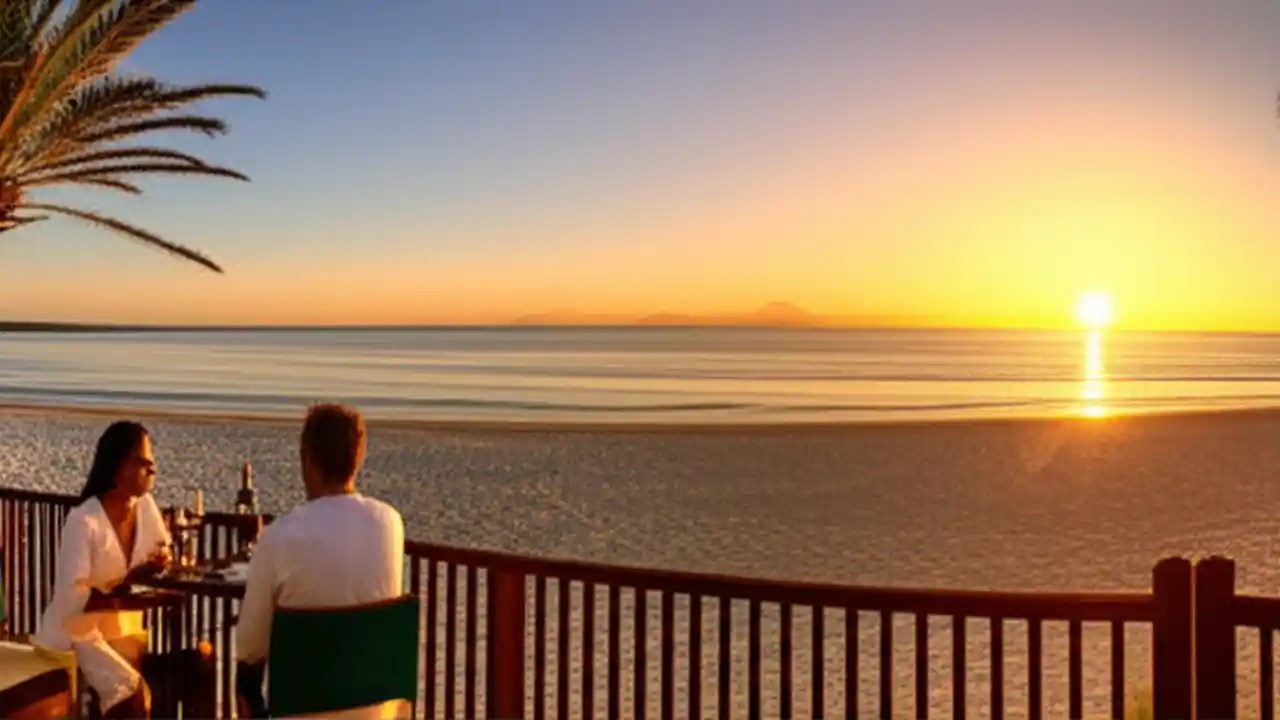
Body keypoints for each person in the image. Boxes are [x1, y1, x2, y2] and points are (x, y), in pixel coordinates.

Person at [236, 404, 405, 716]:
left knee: (246, 680)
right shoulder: (390, 523)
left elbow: (249, 647)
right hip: (377, 709)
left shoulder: (279, 537)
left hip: (304, 710)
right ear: (358, 459)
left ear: (308, 461)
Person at [32, 421, 172, 718]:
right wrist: (117, 596)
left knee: (189, 665)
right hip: (78, 630)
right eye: (142, 461)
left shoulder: (146, 508)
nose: (152, 467)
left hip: (120, 628)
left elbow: (161, 554)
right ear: (118, 465)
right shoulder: (84, 520)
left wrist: (152, 570)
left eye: (152, 460)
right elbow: (70, 596)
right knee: (132, 692)